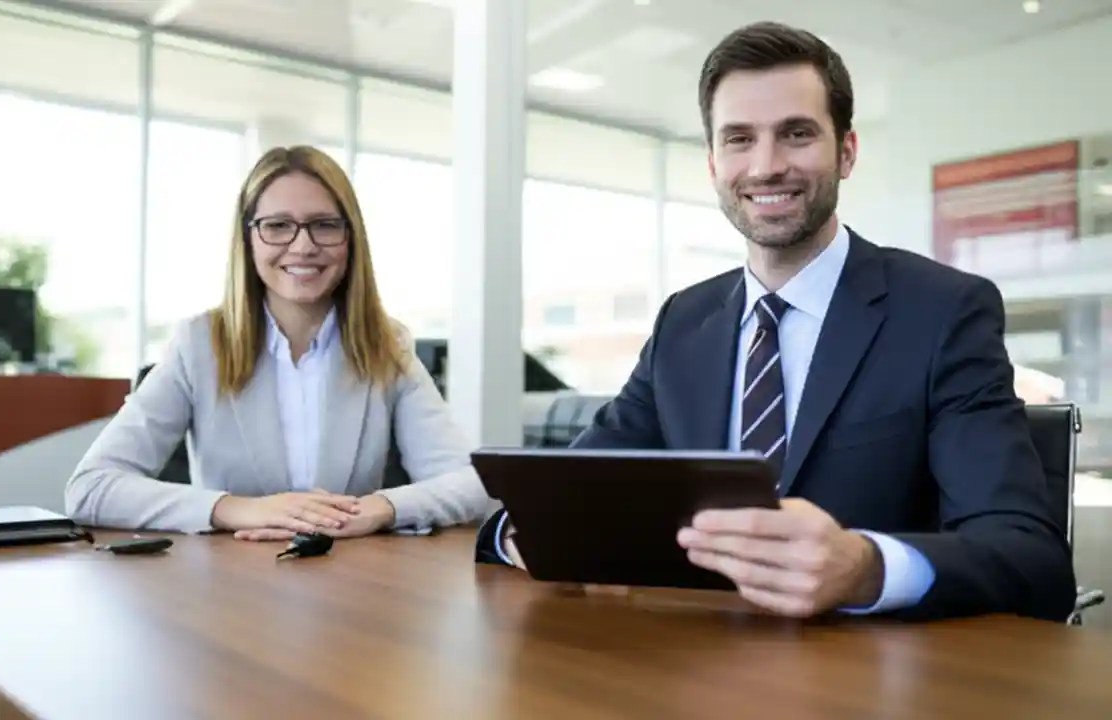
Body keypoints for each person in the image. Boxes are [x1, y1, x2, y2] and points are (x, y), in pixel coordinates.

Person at [476, 22, 1076, 622]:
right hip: (698, 660)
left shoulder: (943, 310)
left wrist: (866, 567)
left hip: (874, 677)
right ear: (713, 163)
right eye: (739, 139)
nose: (766, 166)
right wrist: (523, 532)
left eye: (796, 134)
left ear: (846, 152)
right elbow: (567, 489)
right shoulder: (684, 323)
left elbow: (1031, 558)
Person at [66, 146, 490, 540]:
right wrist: (234, 509)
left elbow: (472, 483)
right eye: (278, 226)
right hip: (229, 594)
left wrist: (380, 508)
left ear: (350, 240)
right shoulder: (199, 344)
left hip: (352, 587)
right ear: (249, 239)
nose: (303, 246)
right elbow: (91, 487)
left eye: (324, 225)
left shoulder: (386, 344)